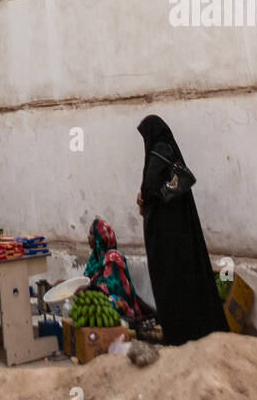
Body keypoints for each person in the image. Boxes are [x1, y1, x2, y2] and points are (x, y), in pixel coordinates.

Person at [137, 114, 228, 346]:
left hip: (168, 236)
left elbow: (149, 188)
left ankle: (180, 332)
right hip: (178, 233)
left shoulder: (158, 151)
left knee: (173, 283)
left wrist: (143, 198)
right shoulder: (168, 151)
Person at [83, 217, 144, 325]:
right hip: (100, 302)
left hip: (120, 305)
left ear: (100, 238)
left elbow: (114, 288)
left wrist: (89, 288)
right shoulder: (94, 259)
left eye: (92, 234)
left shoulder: (113, 257)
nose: (88, 237)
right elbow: (85, 280)